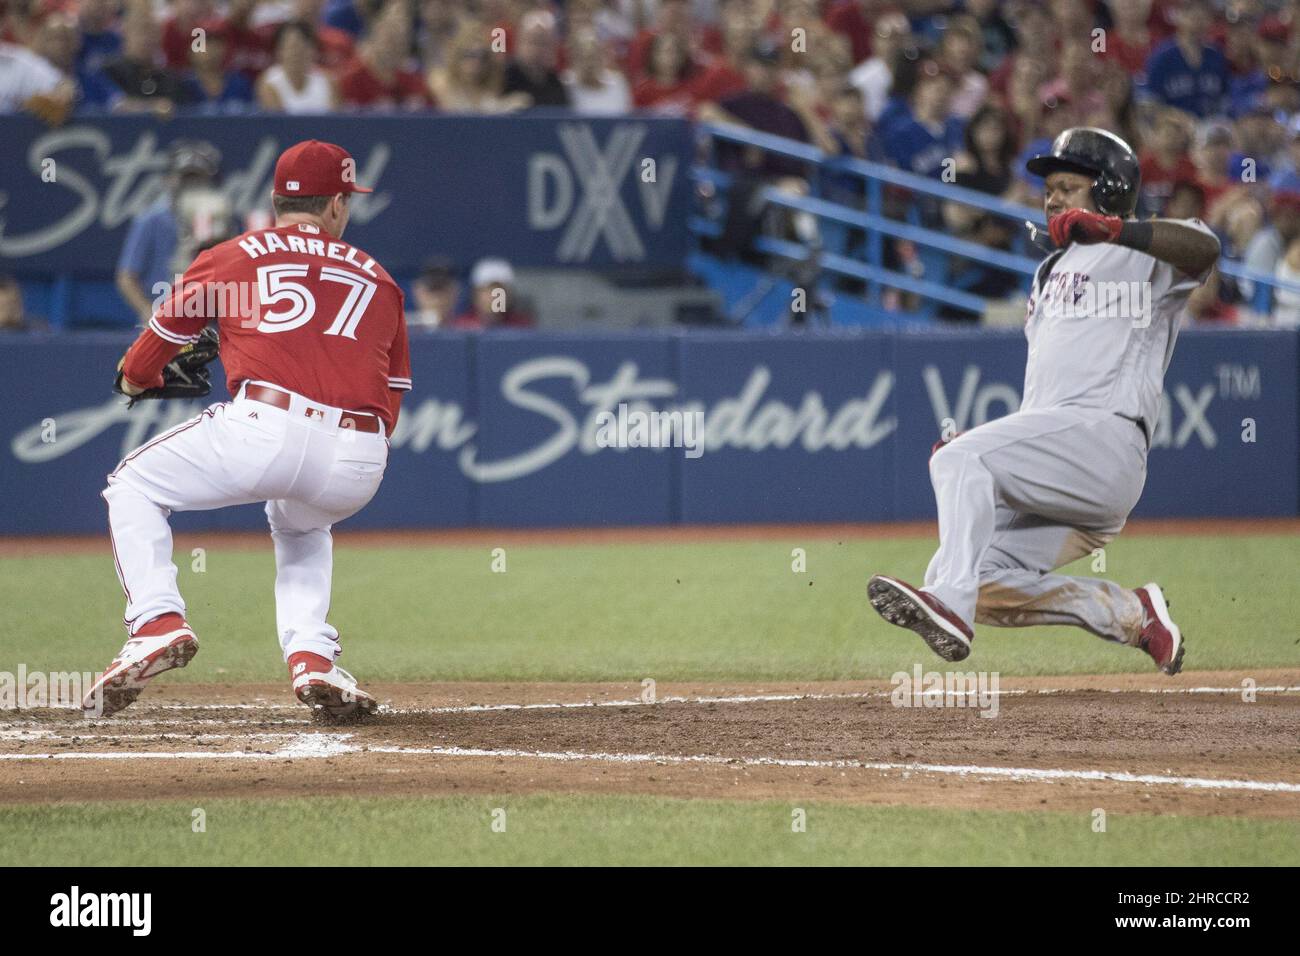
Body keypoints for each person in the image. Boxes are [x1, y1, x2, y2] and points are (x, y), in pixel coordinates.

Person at [868, 127, 1220, 678]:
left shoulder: (1144, 256)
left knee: (959, 463)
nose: (1051, 198)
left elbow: (1206, 248)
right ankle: (1130, 613)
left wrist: (1114, 228)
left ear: (1108, 190)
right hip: (1062, 459)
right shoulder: (1049, 269)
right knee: (970, 573)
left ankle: (951, 611)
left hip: (1106, 439)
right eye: (1049, 188)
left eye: (1067, 186)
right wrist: (995, 453)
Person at [84, 139, 410, 718]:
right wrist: (360, 449)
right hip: (360, 459)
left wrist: (136, 379)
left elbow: (156, 343)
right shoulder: (380, 279)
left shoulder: (235, 255)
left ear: (277, 199)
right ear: (336, 204)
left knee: (132, 487)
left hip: (267, 426)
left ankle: (157, 621)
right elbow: (392, 396)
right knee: (303, 526)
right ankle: (312, 657)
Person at [115, 140, 223, 325]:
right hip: (162, 315)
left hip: (204, 320)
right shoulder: (151, 219)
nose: (190, 185)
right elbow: (126, 277)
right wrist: (147, 311)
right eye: (184, 177)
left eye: (197, 178)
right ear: (169, 179)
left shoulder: (217, 217)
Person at [450, 258, 533, 330]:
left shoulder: (521, 327)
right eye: (487, 290)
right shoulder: (460, 327)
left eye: (499, 290)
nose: (494, 296)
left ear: (509, 294)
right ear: (475, 293)